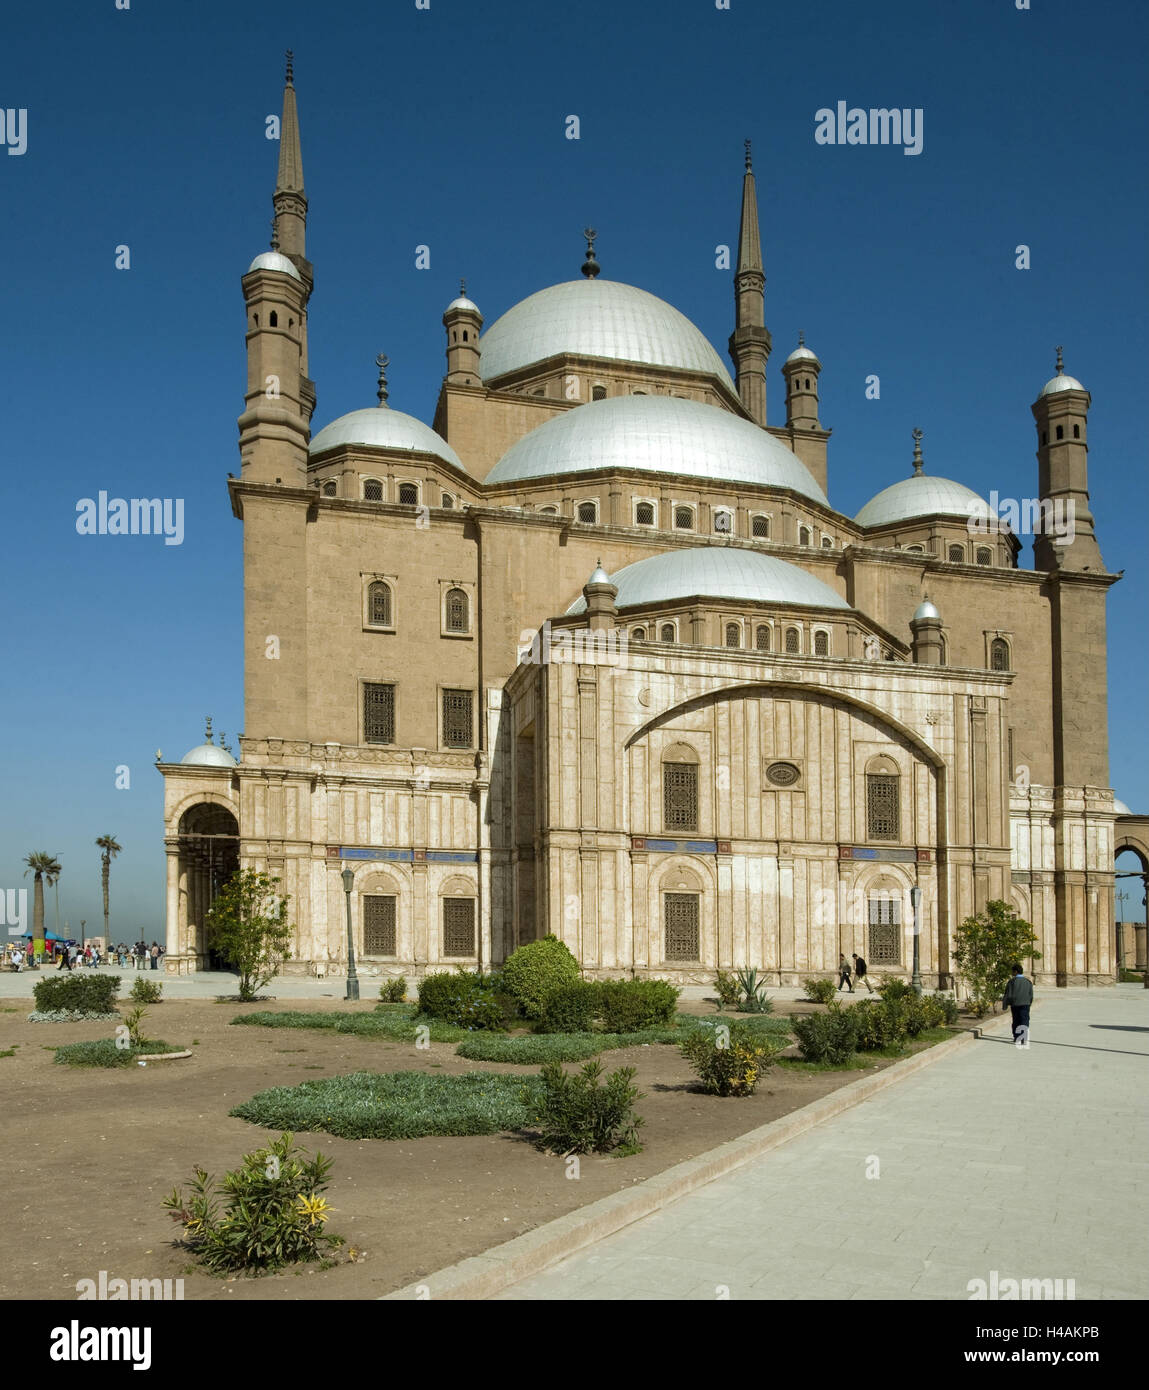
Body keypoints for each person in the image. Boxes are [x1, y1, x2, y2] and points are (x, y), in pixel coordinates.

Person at [1002, 963, 1034, 1043]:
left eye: (1012, 971)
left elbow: (1007, 994)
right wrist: (1029, 1003)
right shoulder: (1028, 982)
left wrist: (1005, 1005)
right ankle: (1024, 1037)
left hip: (1015, 1004)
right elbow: (1031, 994)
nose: (1011, 973)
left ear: (1015, 971)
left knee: (1016, 1020)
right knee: (1024, 1020)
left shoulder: (1012, 982)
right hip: (1025, 1004)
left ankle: (1016, 1037)